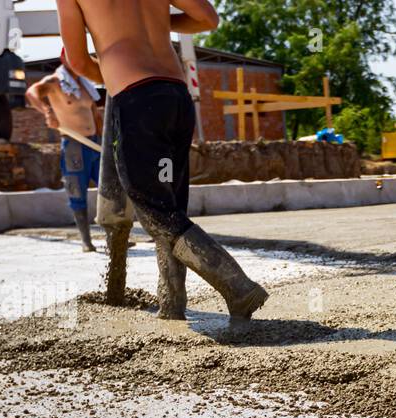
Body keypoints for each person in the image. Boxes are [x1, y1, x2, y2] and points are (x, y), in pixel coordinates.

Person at [55, 0, 268, 321]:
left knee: (153, 208)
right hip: (176, 95)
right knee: (170, 205)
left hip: (136, 97)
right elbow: (208, 19)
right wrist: (158, 23)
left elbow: (79, 62)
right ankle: (172, 305)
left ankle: (237, 286)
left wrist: (116, 70)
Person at [25, 54, 103, 252]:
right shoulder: (55, 81)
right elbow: (32, 92)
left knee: (110, 188)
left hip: (94, 144)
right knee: (77, 190)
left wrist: (104, 139)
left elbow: (95, 113)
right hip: (74, 145)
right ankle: (86, 240)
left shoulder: (85, 83)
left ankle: (115, 236)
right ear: (64, 58)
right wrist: (47, 111)